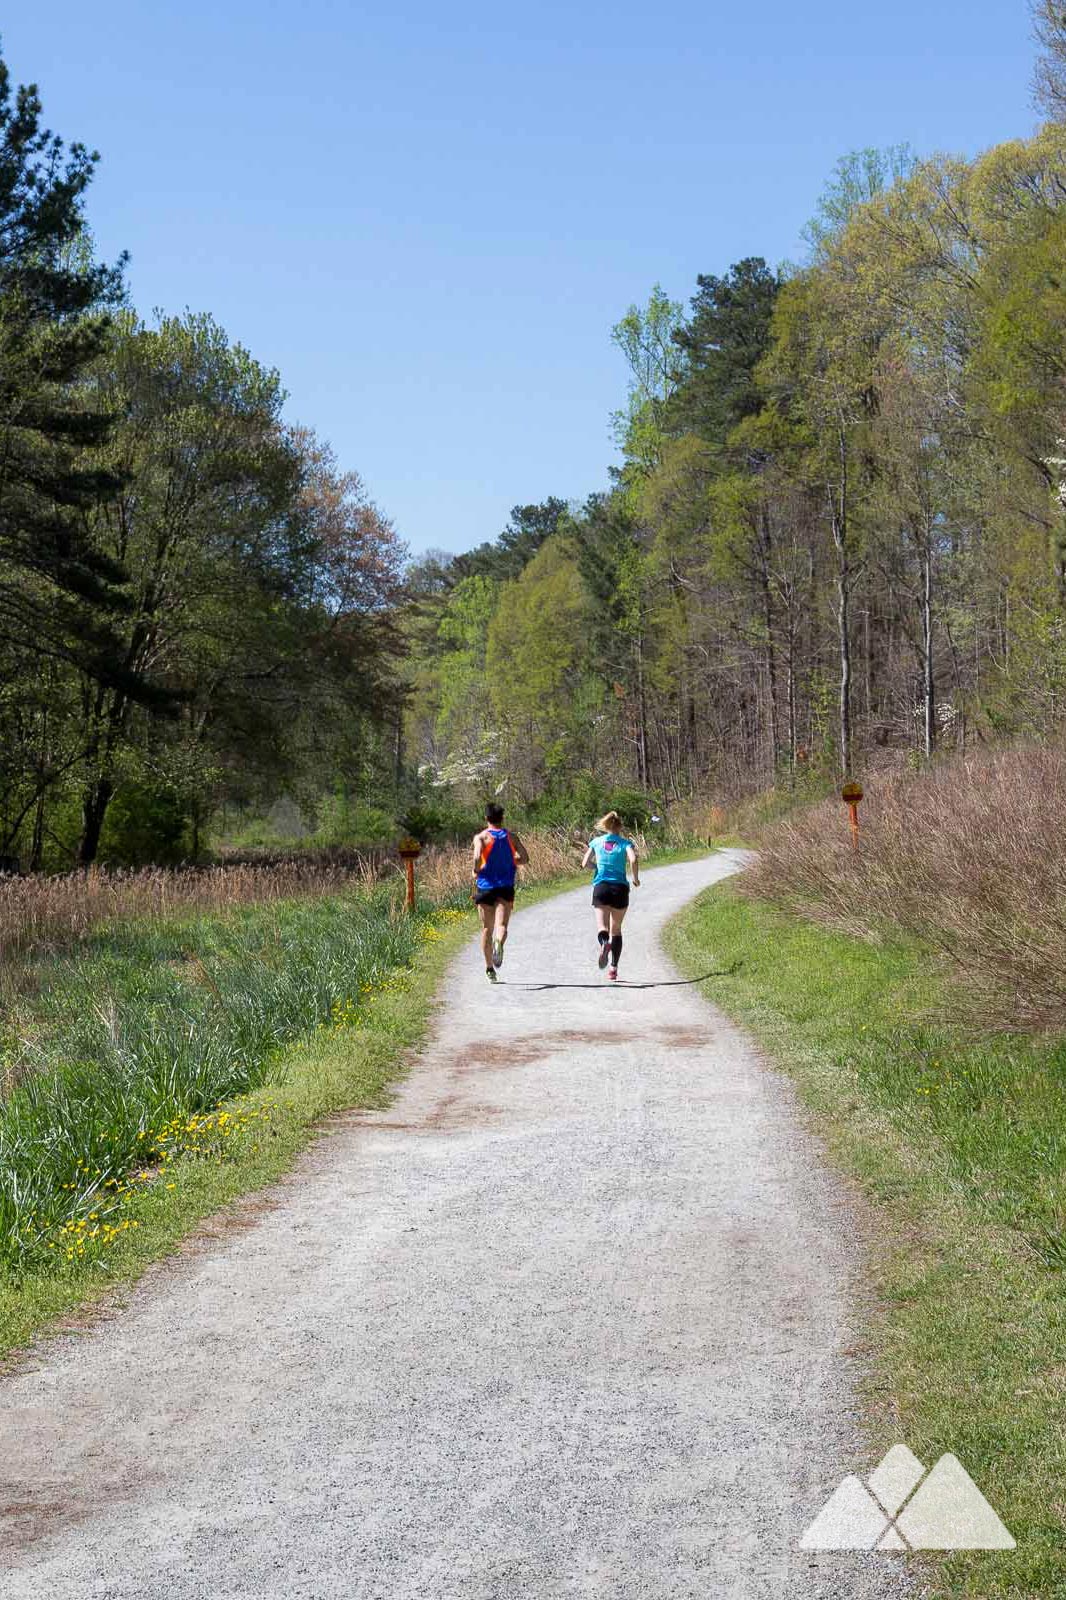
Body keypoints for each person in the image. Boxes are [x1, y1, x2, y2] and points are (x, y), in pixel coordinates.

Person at [472, 803, 529, 982]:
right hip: (505, 887)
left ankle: (490, 969)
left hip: (485, 886)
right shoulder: (511, 837)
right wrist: (512, 862)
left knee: (487, 928)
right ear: (502, 818)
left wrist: (476, 869)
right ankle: (499, 943)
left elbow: (476, 857)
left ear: (486, 818)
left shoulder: (481, 837)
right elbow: (525, 858)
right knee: (502, 926)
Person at [581, 810, 640, 981]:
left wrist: (597, 867)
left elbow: (585, 863)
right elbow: (634, 859)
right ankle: (613, 969)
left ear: (606, 826)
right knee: (617, 930)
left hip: (601, 887)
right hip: (620, 888)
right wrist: (635, 878)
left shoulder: (596, 842)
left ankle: (603, 944)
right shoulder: (625, 843)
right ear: (620, 827)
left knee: (602, 928)